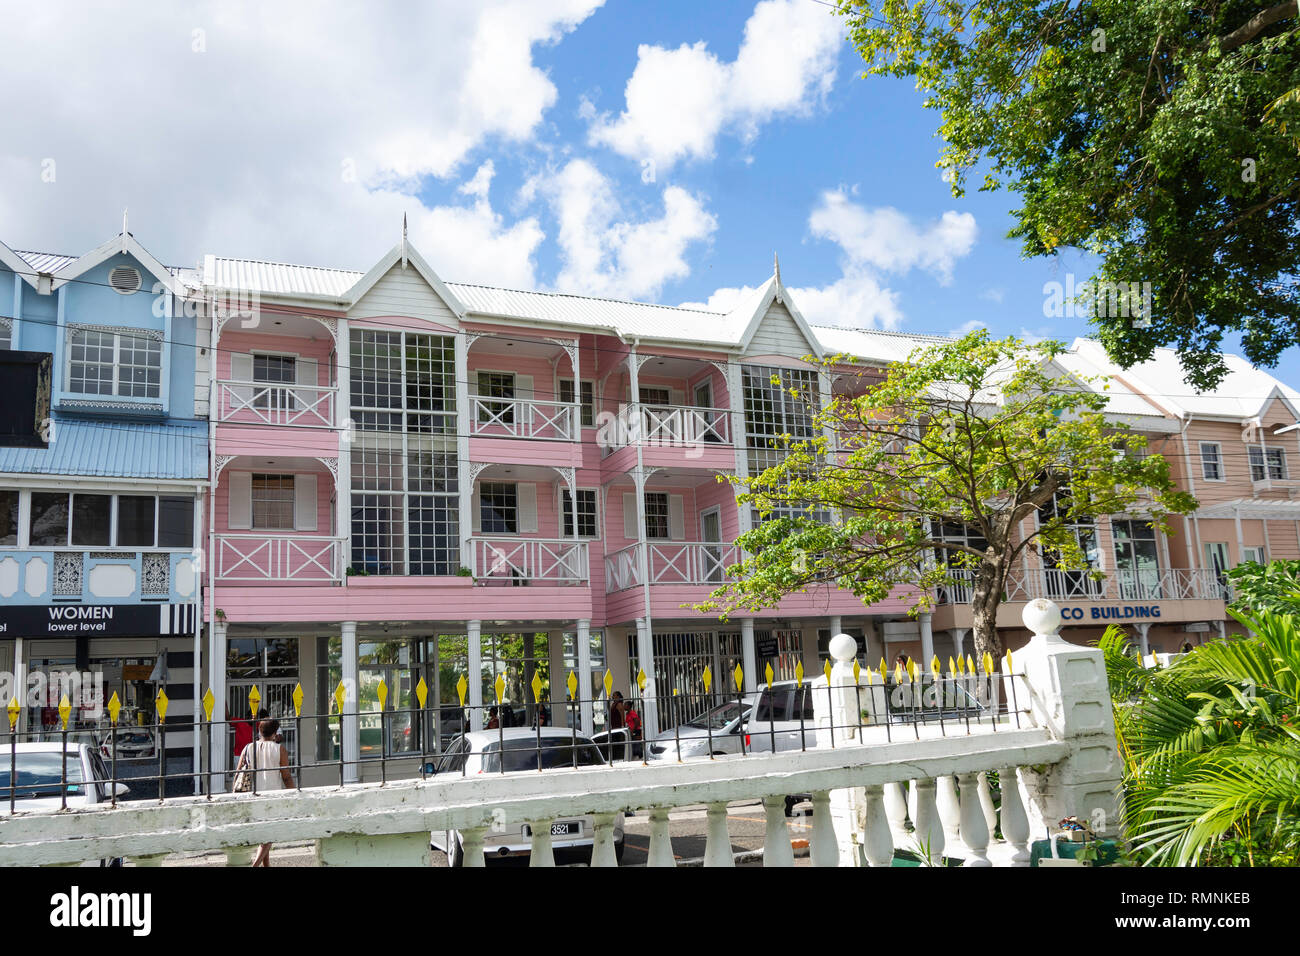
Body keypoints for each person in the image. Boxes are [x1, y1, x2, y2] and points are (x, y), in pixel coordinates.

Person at [234, 718, 294, 867]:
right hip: (272, 794)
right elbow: (286, 777)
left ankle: (266, 865)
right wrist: (293, 793)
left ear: (259, 731)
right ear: (275, 733)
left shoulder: (248, 748)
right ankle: (256, 864)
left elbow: (238, 773)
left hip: (252, 795)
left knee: (263, 833)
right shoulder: (279, 749)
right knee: (270, 833)